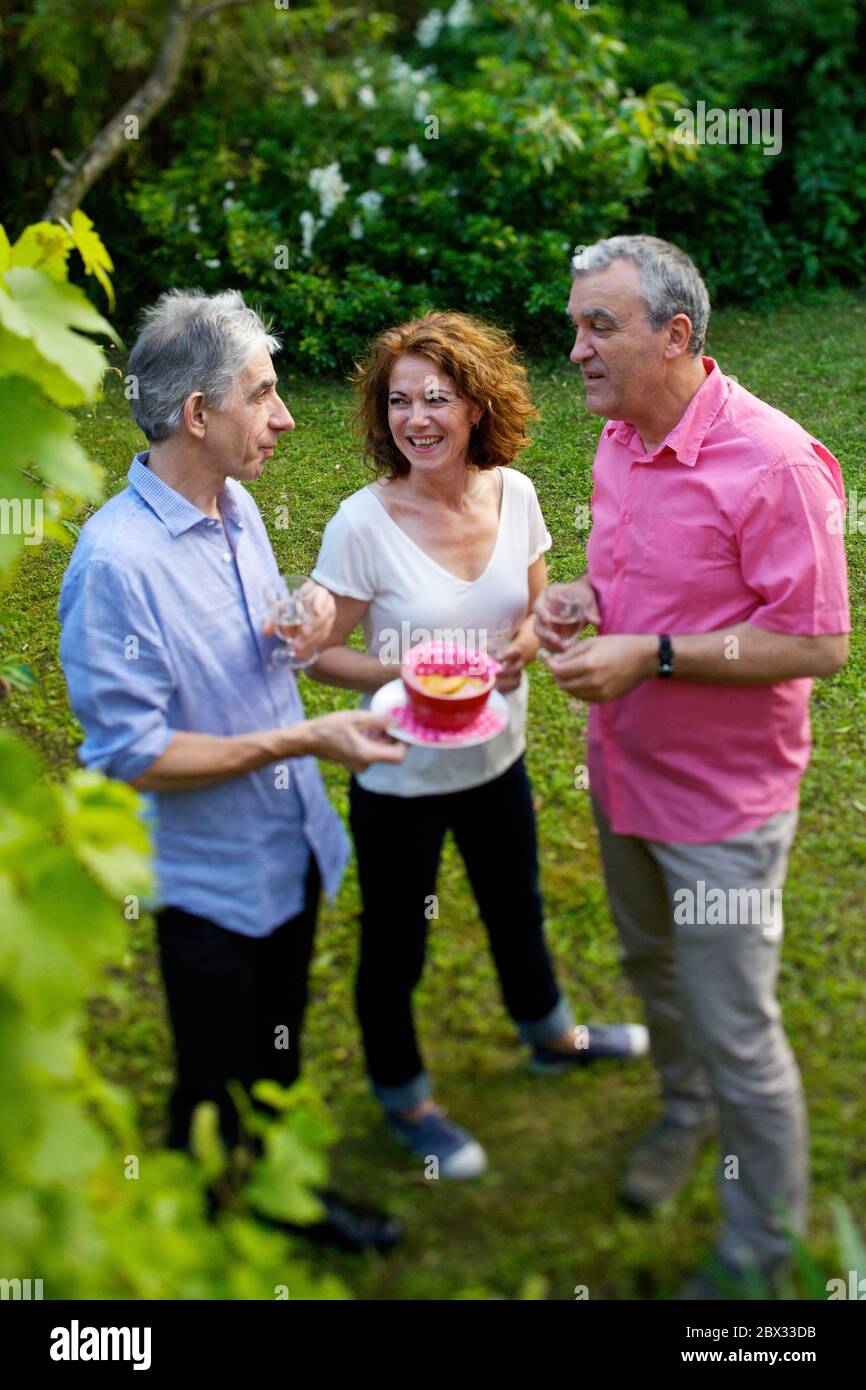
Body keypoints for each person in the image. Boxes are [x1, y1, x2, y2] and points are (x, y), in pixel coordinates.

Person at [59, 289, 407, 1252]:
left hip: (287, 847)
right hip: (209, 886)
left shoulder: (237, 505)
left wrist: (308, 634)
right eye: (263, 394)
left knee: (274, 1055)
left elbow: (259, 644)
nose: (286, 416)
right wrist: (305, 739)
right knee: (211, 1080)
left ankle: (272, 1199)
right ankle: (205, 1242)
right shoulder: (115, 565)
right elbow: (133, 755)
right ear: (198, 415)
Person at [534, 235, 850, 1297]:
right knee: (651, 971)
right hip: (622, 772)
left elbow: (816, 643)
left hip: (719, 810)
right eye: (574, 322)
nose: (573, 346)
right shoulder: (620, 437)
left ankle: (761, 1254)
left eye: (597, 326)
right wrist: (584, 603)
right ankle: (682, 1106)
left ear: (674, 335)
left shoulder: (774, 462)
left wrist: (652, 655)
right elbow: (632, 576)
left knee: (735, 1026)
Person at [309, 311, 647, 1180]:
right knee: (395, 944)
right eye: (398, 402)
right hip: (401, 775)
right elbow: (320, 654)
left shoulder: (518, 494)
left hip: (496, 755)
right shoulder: (360, 522)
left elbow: (534, 611)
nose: (416, 419)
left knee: (516, 904)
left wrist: (525, 647)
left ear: (475, 406)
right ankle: (403, 1096)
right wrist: (411, 672)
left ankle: (551, 1035)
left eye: (437, 398)